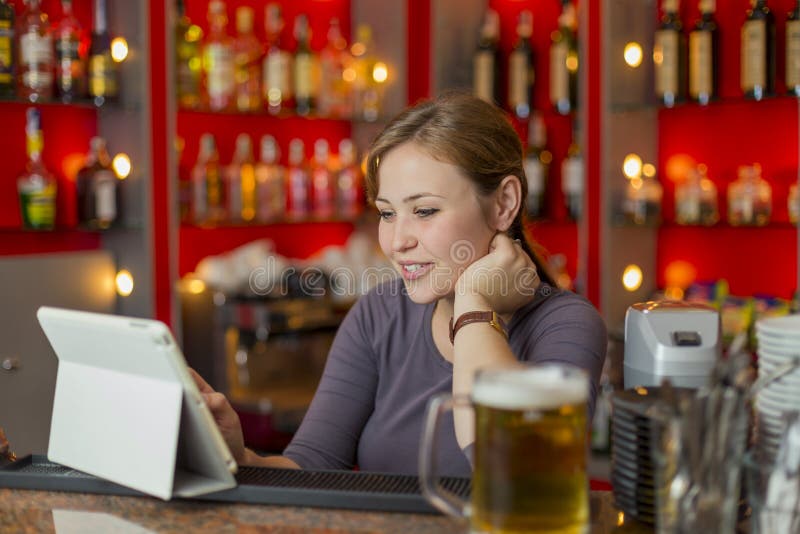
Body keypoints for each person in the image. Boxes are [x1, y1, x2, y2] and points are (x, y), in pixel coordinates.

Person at [195, 92, 607, 476]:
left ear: (503, 203)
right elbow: (312, 466)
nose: (396, 242)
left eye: (425, 210)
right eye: (388, 214)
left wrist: (474, 302)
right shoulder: (379, 313)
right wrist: (238, 458)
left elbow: (510, 468)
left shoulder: (566, 324)